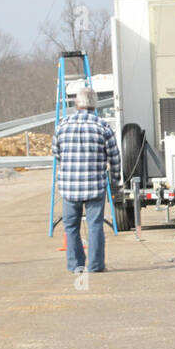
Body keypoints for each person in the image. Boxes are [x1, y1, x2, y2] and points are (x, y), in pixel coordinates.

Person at [52, 87, 121, 273]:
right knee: (95, 225)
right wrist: (115, 181)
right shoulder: (103, 127)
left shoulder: (63, 125)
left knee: (71, 227)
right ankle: (96, 265)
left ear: (76, 104)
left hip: (69, 188)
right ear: (95, 105)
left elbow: (56, 153)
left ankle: (76, 265)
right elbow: (114, 157)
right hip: (94, 186)